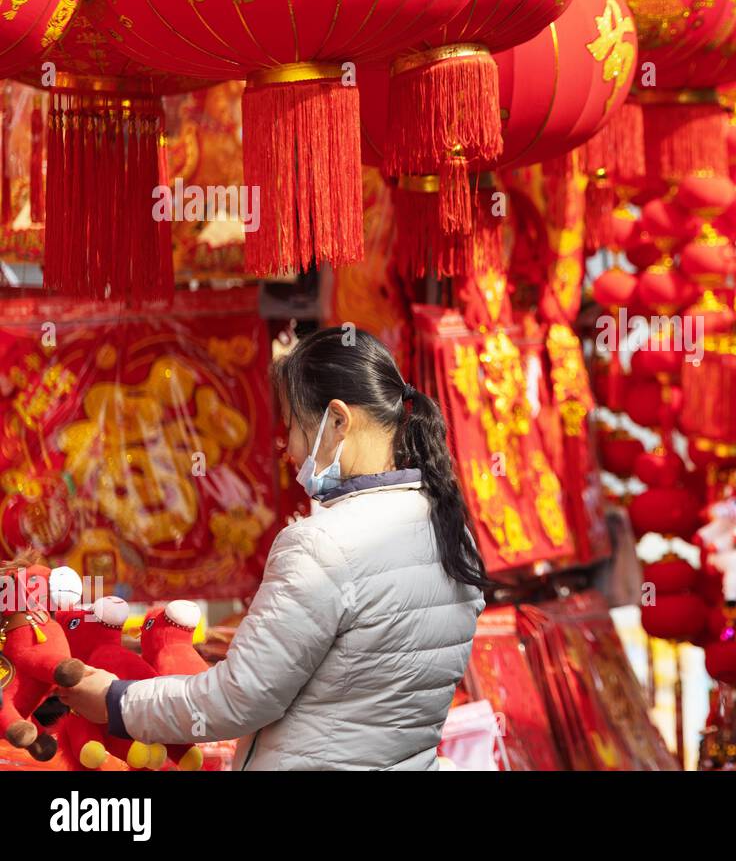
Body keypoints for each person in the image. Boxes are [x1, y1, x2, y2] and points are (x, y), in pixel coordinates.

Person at [58, 327, 489, 769]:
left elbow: (238, 699)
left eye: (292, 427)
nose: (288, 449)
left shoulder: (323, 544)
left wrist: (116, 702)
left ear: (338, 420)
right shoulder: (451, 528)